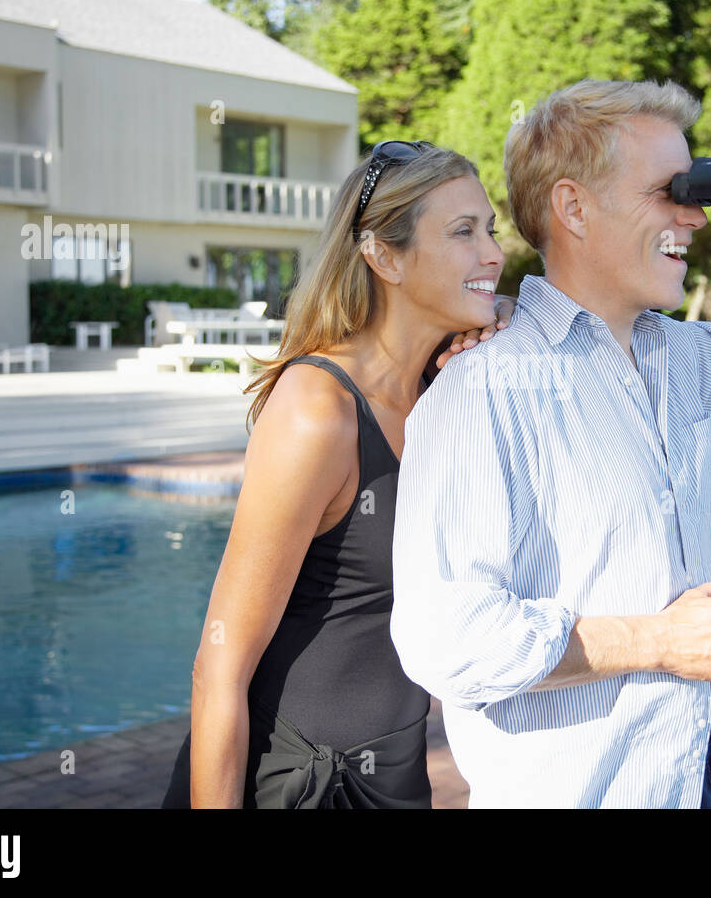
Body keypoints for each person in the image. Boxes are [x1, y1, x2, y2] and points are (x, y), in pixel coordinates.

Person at [390, 79, 711, 808]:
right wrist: (660, 641)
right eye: (668, 191)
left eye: (694, 190)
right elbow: (447, 640)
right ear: (573, 207)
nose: (693, 216)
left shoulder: (687, 360)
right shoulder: (484, 388)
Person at [161, 141, 511, 808]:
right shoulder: (317, 412)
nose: (493, 252)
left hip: (399, 780)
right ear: (383, 255)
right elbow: (219, 667)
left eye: (489, 229)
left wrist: (504, 321)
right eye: (464, 232)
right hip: (290, 786)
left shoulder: (447, 396)